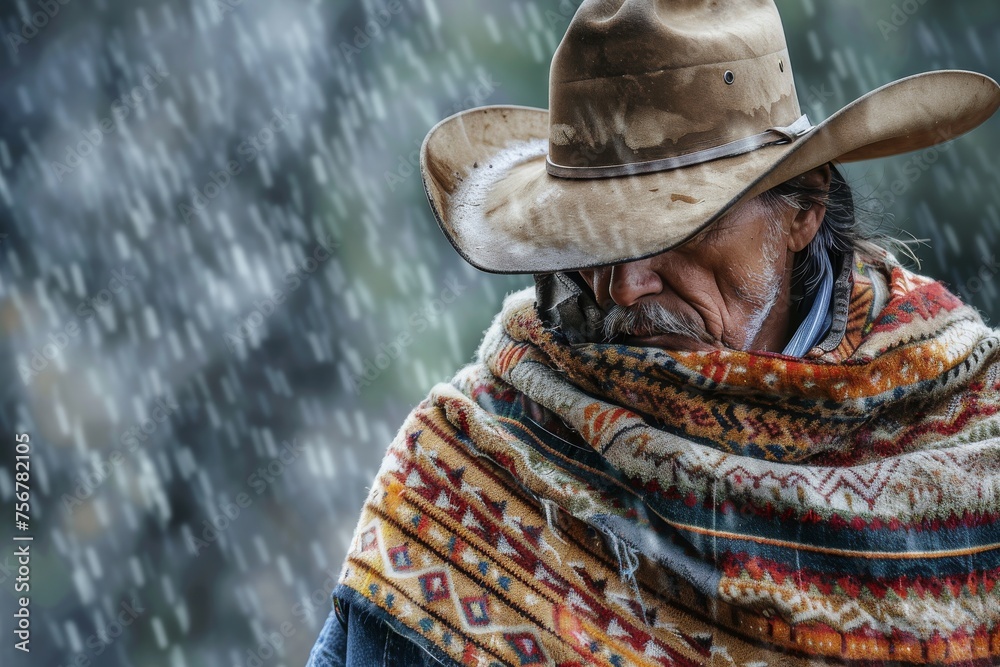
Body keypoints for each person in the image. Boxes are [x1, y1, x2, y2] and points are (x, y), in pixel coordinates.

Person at [309, 1, 1000, 664]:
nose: (623, 285)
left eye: (677, 226)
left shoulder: (970, 443)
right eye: (594, 238)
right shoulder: (468, 476)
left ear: (804, 208)